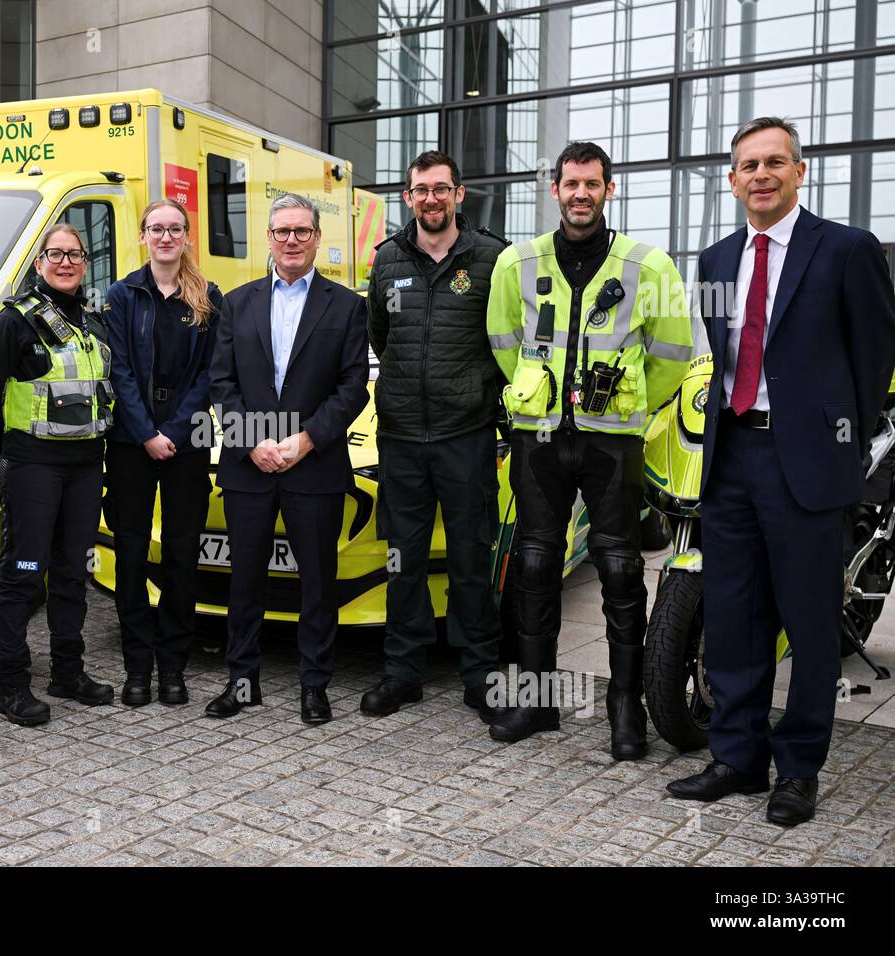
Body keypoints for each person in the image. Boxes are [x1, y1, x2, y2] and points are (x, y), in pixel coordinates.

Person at [667, 117, 895, 825]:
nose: (760, 175)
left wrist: (841, 441)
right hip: (731, 456)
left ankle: (798, 768)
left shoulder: (847, 249)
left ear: (801, 172)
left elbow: (873, 355)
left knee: (810, 621)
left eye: (774, 162)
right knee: (735, 618)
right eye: (747, 165)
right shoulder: (715, 257)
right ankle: (737, 758)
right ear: (731, 181)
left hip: (808, 461)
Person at [486, 141, 693, 759]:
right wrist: (537, 393)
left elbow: (672, 355)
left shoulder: (648, 265)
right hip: (539, 438)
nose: (581, 194)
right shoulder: (515, 264)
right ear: (555, 190)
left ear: (609, 189)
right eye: (571, 184)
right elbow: (503, 341)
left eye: (592, 184)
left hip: (611, 443)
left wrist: (623, 407)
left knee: (622, 569)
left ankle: (625, 710)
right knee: (533, 565)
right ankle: (537, 700)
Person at [205, 193, 370, 724]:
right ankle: (241, 682)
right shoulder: (237, 301)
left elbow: (352, 388)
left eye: (302, 231)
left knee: (317, 582)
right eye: (282, 231)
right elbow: (221, 382)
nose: (292, 240)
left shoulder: (346, 305)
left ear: (317, 238)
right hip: (248, 463)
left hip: (314, 465)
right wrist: (254, 440)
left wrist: (304, 442)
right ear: (269, 239)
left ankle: (314, 685)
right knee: (245, 578)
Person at [360, 150, 506, 724]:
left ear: (459, 194)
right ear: (408, 197)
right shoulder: (387, 260)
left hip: (465, 434)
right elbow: (381, 335)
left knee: (472, 556)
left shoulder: (490, 258)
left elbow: (506, 339)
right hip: (399, 436)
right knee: (403, 559)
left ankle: (479, 672)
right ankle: (403, 672)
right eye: (421, 190)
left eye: (441, 189)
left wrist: (475, 391)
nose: (431, 199)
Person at [0, 223, 115, 722]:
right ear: (39, 264)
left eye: (75, 255)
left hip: (85, 466)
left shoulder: (93, 322)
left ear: (85, 263)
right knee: (22, 579)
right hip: (32, 466)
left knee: (72, 574)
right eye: (55, 255)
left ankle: (67, 672)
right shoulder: (14, 321)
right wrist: (3, 460)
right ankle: (11, 686)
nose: (66, 263)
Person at [103, 199, 221, 707]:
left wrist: (172, 429)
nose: (166, 236)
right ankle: (136, 667)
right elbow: (119, 371)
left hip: (188, 442)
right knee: (130, 554)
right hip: (132, 443)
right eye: (157, 228)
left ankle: (173, 667)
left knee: (180, 555)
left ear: (187, 236)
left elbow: (209, 375)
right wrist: (147, 431)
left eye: (175, 228)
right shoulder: (122, 295)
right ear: (144, 236)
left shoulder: (207, 297)